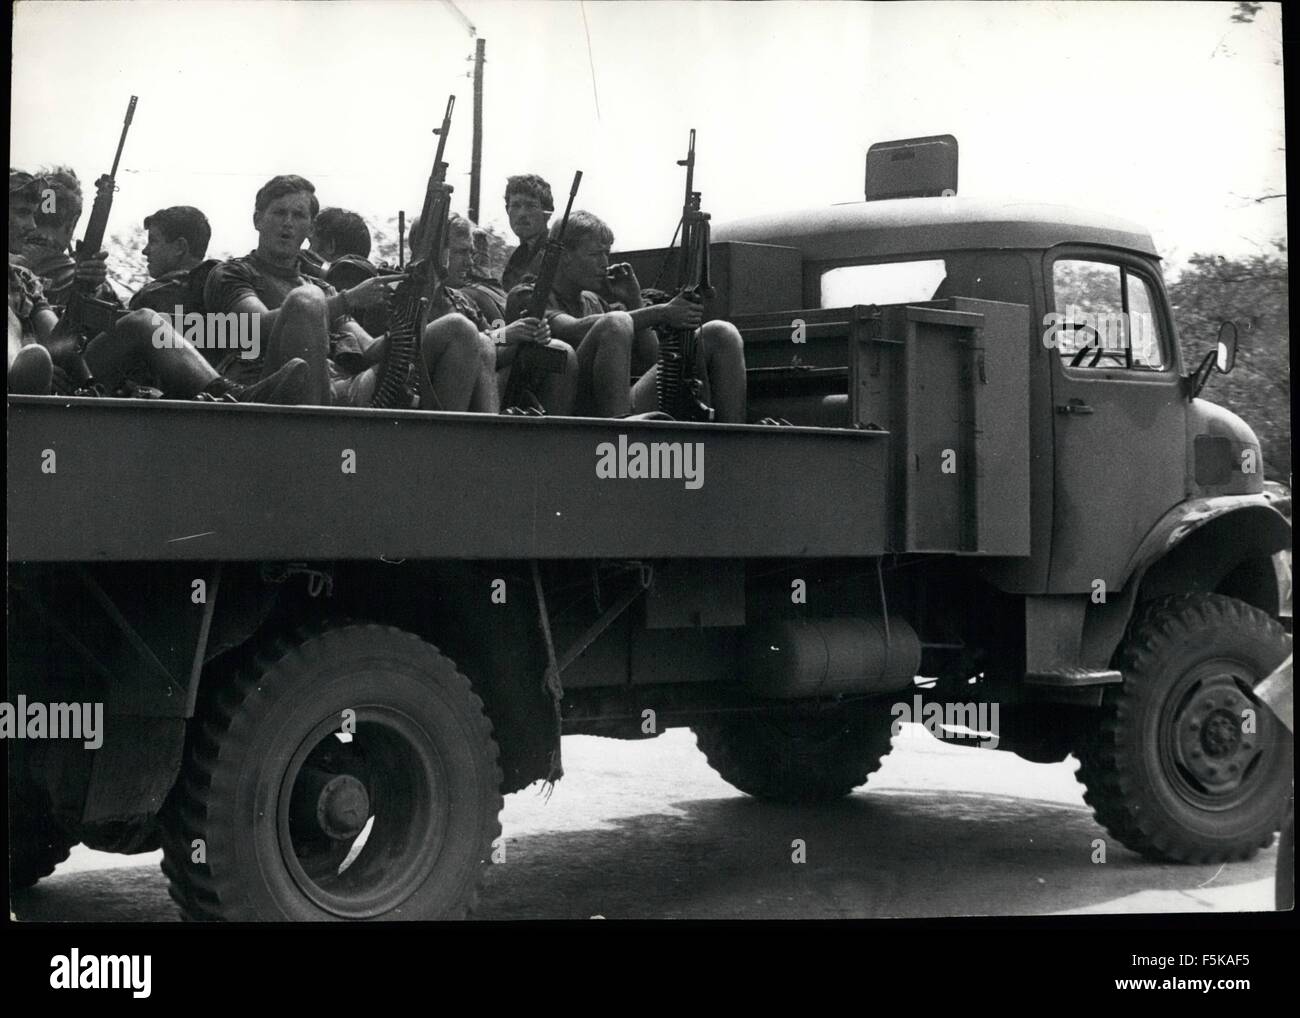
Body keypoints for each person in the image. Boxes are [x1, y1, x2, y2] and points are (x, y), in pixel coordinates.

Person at [7, 170, 307, 403]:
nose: (32, 226)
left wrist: (84, 289)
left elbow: (59, 344)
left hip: (52, 377)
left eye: (33, 214)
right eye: (22, 213)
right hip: (26, 382)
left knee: (146, 321)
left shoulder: (23, 281)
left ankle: (234, 396)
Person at [205, 174, 494, 411]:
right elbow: (252, 327)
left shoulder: (319, 286)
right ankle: (316, 433)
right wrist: (346, 300)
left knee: (459, 329)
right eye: (279, 213)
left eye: (298, 215)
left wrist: (411, 317)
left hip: (340, 390)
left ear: (309, 229)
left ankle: (441, 459)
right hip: (269, 393)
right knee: (306, 303)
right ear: (258, 220)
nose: (288, 223)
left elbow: (368, 349)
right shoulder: (234, 273)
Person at [530, 210, 746, 421]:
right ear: (565, 256)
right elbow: (570, 329)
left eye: (607, 253)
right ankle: (620, 440)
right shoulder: (531, 295)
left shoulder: (594, 302)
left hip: (617, 405)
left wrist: (634, 299)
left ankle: (733, 443)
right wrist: (661, 312)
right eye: (595, 254)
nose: (604, 264)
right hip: (571, 410)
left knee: (721, 333)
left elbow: (653, 359)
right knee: (616, 321)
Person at [501, 174, 553, 291]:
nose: (522, 214)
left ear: (548, 212)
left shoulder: (555, 254)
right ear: (507, 210)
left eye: (531, 206)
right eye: (515, 206)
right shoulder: (520, 255)